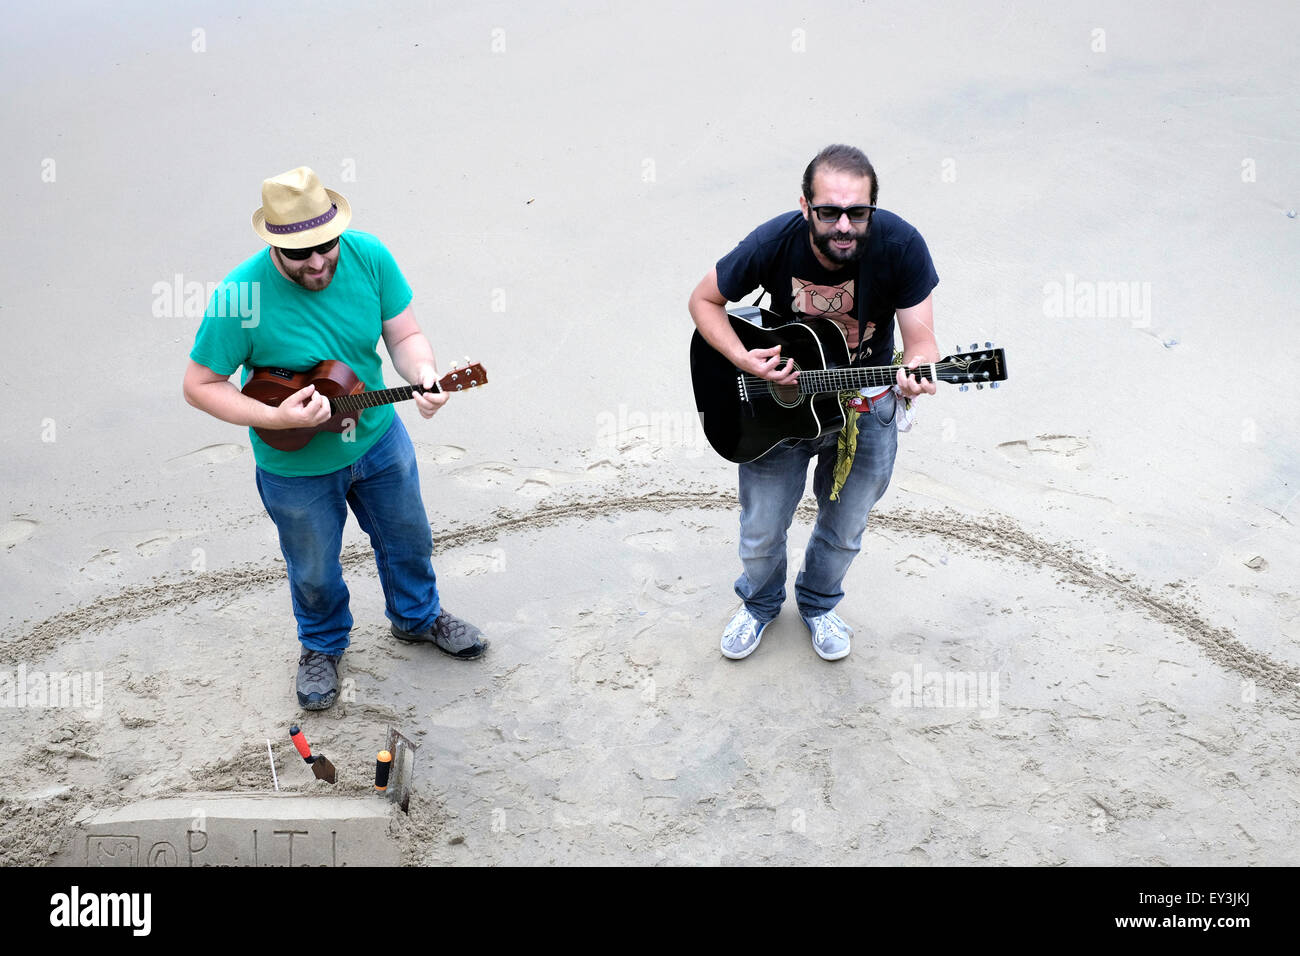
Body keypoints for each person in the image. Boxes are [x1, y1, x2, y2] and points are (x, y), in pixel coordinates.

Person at [182, 166, 486, 710]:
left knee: (409, 537)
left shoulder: (369, 256)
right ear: (274, 244)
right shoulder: (239, 295)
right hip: (294, 465)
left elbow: (405, 332)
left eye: (326, 245)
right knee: (315, 566)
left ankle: (417, 618)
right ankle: (321, 646)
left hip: (376, 440)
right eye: (301, 254)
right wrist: (276, 419)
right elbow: (200, 385)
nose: (319, 262)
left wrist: (424, 376)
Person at [687, 144, 939, 662]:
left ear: (873, 207)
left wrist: (916, 370)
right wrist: (747, 360)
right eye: (829, 212)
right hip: (774, 404)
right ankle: (758, 606)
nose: (844, 224)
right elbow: (703, 301)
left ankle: (819, 604)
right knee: (760, 532)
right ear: (806, 207)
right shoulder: (775, 241)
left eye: (858, 212)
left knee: (845, 528)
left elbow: (921, 340)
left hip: (866, 405)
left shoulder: (901, 245)